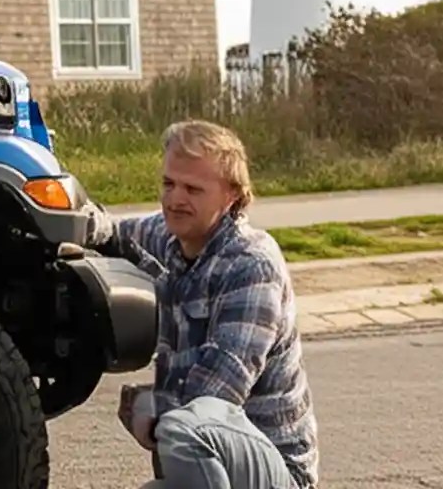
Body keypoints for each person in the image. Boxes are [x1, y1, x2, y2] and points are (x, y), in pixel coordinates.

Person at [83, 119, 319, 489]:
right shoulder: (171, 236)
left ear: (231, 197)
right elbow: (111, 231)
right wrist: (65, 213)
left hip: (277, 472)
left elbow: (219, 394)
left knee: (185, 424)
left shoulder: (251, 264)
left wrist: (153, 408)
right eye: (168, 184)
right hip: (214, 461)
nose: (176, 199)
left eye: (193, 189)